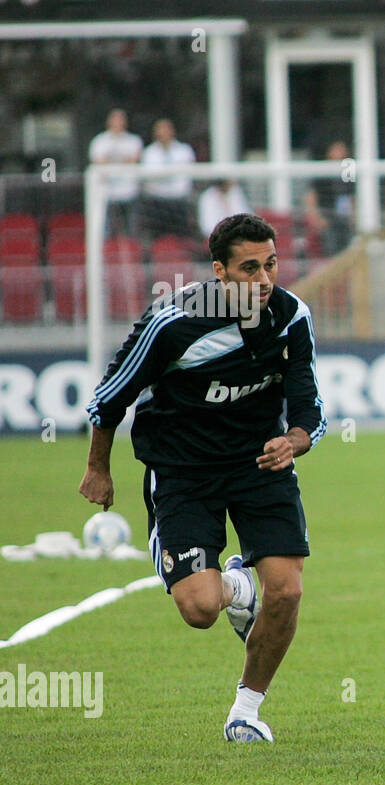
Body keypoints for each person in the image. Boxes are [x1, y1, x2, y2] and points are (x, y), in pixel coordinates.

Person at [79, 213, 326, 743]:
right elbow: (109, 398)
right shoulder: (173, 323)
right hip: (184, 473)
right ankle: (236, 586)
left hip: (261, 465)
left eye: (272, 265)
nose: (264, 281)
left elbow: (310, 407)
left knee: (286, 592)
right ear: (220, 271)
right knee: (199, 609)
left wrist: (295, 440)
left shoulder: (290, 317)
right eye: (250, 269)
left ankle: (246, 710)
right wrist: (98, 468)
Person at [88, 108, 143, 237]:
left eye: (120, 120)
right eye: (115, 119)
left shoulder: (134, 141)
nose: (117, 123)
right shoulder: (99, 141)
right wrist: (123, 160)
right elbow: (98, 161)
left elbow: (134, 160)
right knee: (106, 232)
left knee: (131, 231)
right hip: (106, 193)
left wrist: (110, 161)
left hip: (129, 192)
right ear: (109, 122)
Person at [140, 118, 197, 239]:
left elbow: (188, 177)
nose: (164, 133)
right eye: (161, 130)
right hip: (156, 202)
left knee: (183, 237)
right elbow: (149, 179)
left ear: (172, 131)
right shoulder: (149, 153)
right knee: (157, 237)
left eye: (167, 129)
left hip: (180, 201)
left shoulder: (184, 151)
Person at [303, 140, 356, 256]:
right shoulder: (322, 172)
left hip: (344, 218)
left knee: (348, 248)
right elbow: (311, 197)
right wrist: (317, 218)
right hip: (327, 218)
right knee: (330, 248)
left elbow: (351, 196)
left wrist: (353, 216)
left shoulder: (347, 172)